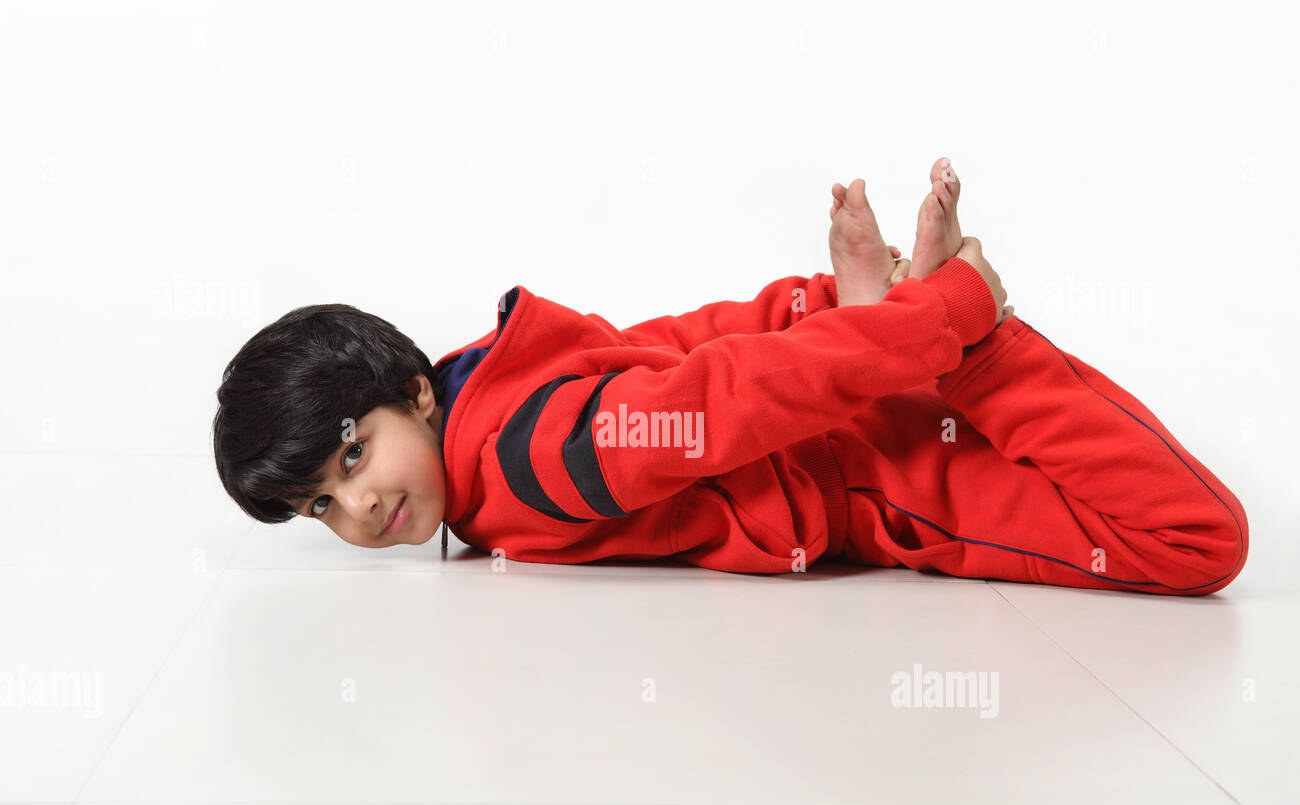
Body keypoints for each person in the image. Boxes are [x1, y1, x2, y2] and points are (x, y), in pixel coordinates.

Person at [212, 158, 1248, 595]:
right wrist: (822, 310)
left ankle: (977, 345)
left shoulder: (526, 458)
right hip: (851, 393)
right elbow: (678, 343)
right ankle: (934, 338)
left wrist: (942, 323)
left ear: (413, 393)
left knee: (1195, 540)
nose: (357, 503)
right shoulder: (495, 380)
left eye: (350, 453)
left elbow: (711, 405)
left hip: (871, 479)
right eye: (317, 503)